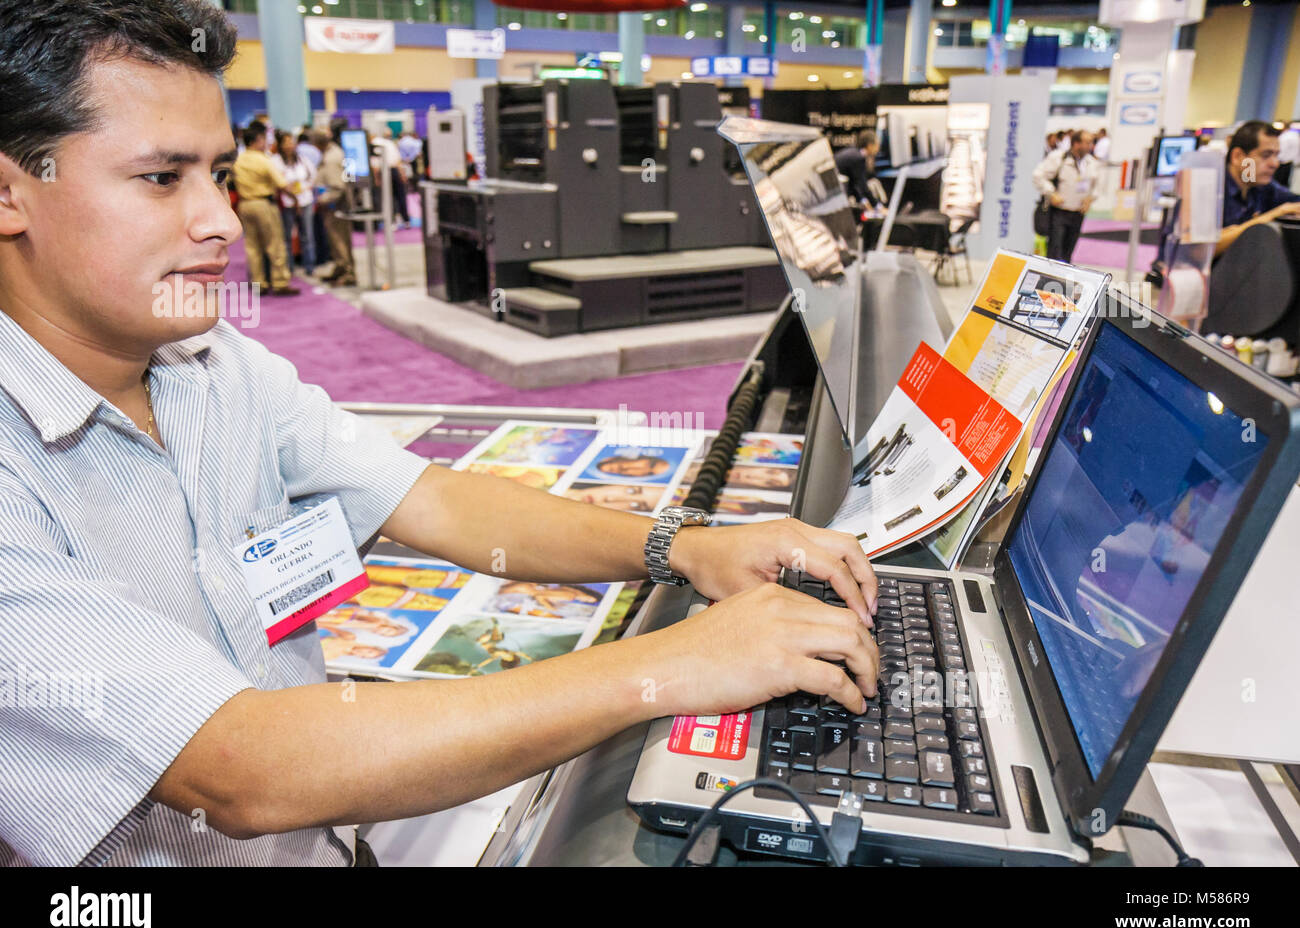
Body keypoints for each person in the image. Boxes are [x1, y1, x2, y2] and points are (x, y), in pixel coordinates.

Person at [0, 0, 880, 866]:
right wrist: (677, 663)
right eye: (162, 178)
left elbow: (431, 499)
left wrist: (683, 547)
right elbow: (241, 767)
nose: (222, 221)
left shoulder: (212, 363)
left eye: (220, 175)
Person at [230, 120, 300, 296]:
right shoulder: (263, 160)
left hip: (245, 205)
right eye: (263, 140)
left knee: (252, 246)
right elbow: (282, 184)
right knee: (274, 244)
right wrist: (295, 197)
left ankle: (258, 282)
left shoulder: (238, 159)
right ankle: (280, 282)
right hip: (263, 204)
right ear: (257, 141)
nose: (266, 143)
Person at [1212, 120, 1300, 256]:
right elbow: (1202, 250)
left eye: (1276, 155)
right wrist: (1271, 216)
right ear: (1238, 156)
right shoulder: (1211, 189)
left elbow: (1295, 203)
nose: (1275, 164)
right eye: (1266, 155)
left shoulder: (1261, 187)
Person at [1032, 129, 1101, 263]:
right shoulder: (1058, 158)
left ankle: (1062, 281)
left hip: (1078, 212)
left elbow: (1097, 186)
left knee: (1068, 251)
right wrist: (1051, 193)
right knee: (1055, 251)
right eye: (1086, 142)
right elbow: (1038, 176)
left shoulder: (1091, 163)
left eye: (1091, 143)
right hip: (1059, 211)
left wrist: (1090, 199)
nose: (1090, 146)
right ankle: (1049, 280)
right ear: (1076, 143)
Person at [317, 119, 357, 286]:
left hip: (336, 205)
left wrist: (323, 200)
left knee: (340, 240)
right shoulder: (336, 152)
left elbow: (337, 186)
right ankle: (341, 268)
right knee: (337, 240)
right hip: (337, 204)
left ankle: (347, 272)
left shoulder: (333, 156)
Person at [273, 130, 316, 276]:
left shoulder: (302, 160)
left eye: (291, 142)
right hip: (288, 202)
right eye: (286, 142)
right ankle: (289, 267)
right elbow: (277, 182)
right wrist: (289, 191)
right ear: (280, 145)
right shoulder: (275, 161)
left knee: (307, 235)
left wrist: (304, 187)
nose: (289, 145)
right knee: (286, 236)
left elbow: (312, 176)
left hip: (305, 200)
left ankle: (309, 265)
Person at [833, 129, 880, 207]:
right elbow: (862, 185)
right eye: (877, 145)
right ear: (870, 145)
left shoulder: (854, 152)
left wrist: (863, 200)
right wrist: (877, 206)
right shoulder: (858, 158)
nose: (878, 148)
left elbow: (855, 183)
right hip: (834, 193)